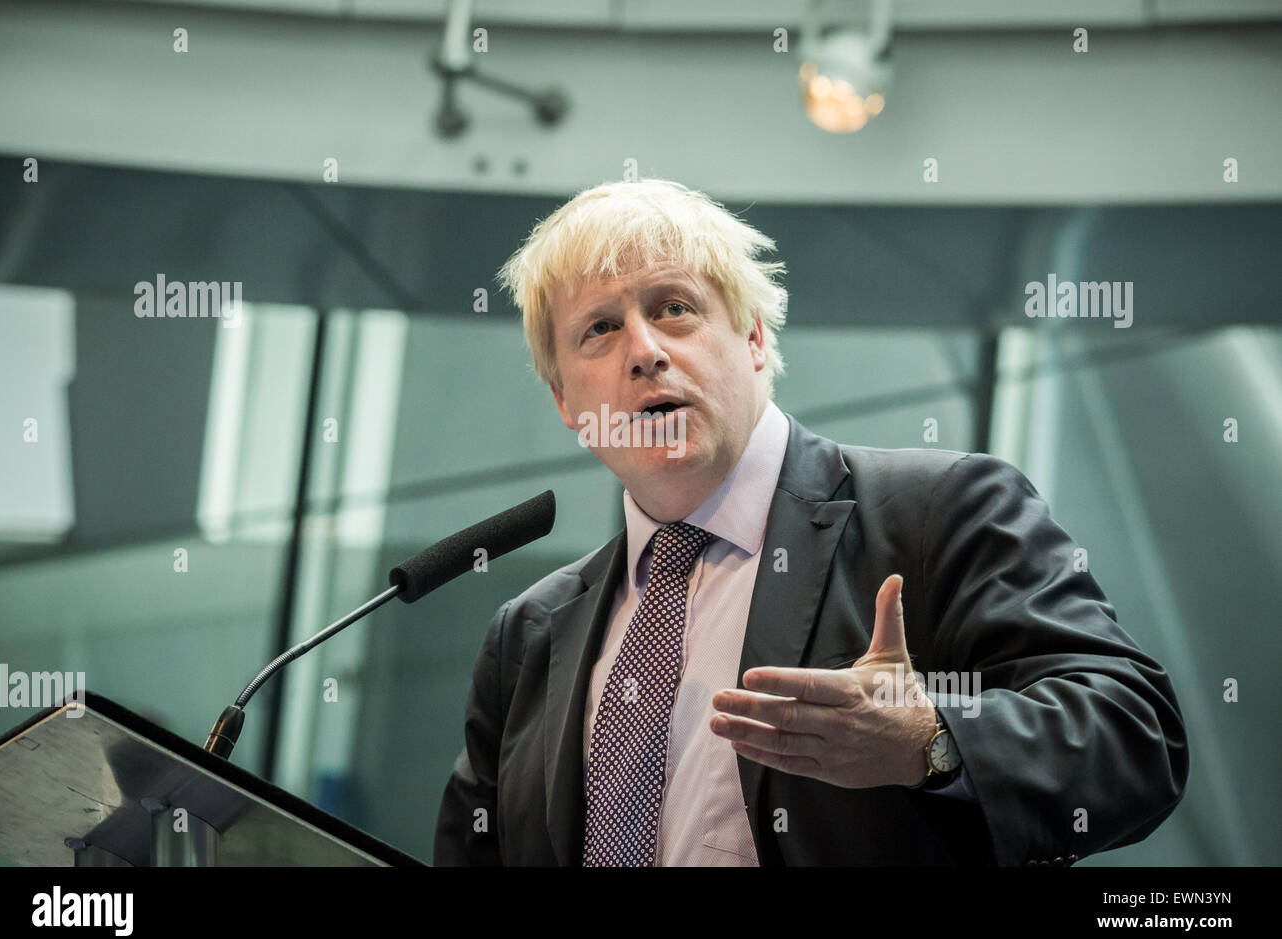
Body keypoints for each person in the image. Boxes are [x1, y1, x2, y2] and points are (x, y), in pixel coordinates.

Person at [433, 179, 1188, 866]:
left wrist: (933, 741)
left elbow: (1136, 735)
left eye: (675, 307)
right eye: (598, 329)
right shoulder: (528, 633)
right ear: (567, 402)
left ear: (756, 340)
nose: (645, 351)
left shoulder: (940, 510)